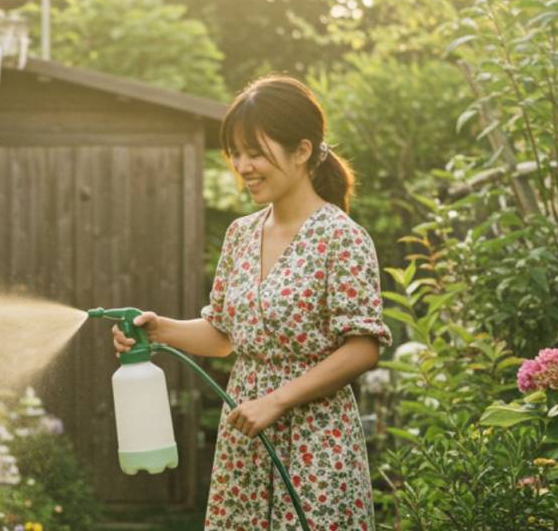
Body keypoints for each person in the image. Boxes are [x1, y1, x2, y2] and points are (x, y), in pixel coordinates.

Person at [113, 74, 390, 531]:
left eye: (256, 152)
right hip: (245, 438)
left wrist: (277, 401)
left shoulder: (341, 237)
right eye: (236, 153)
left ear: (302, 150)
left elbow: (363, 347)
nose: (243, 166)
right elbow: (224, 336)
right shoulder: (241, 234)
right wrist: (158, 329)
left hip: (316, 444)